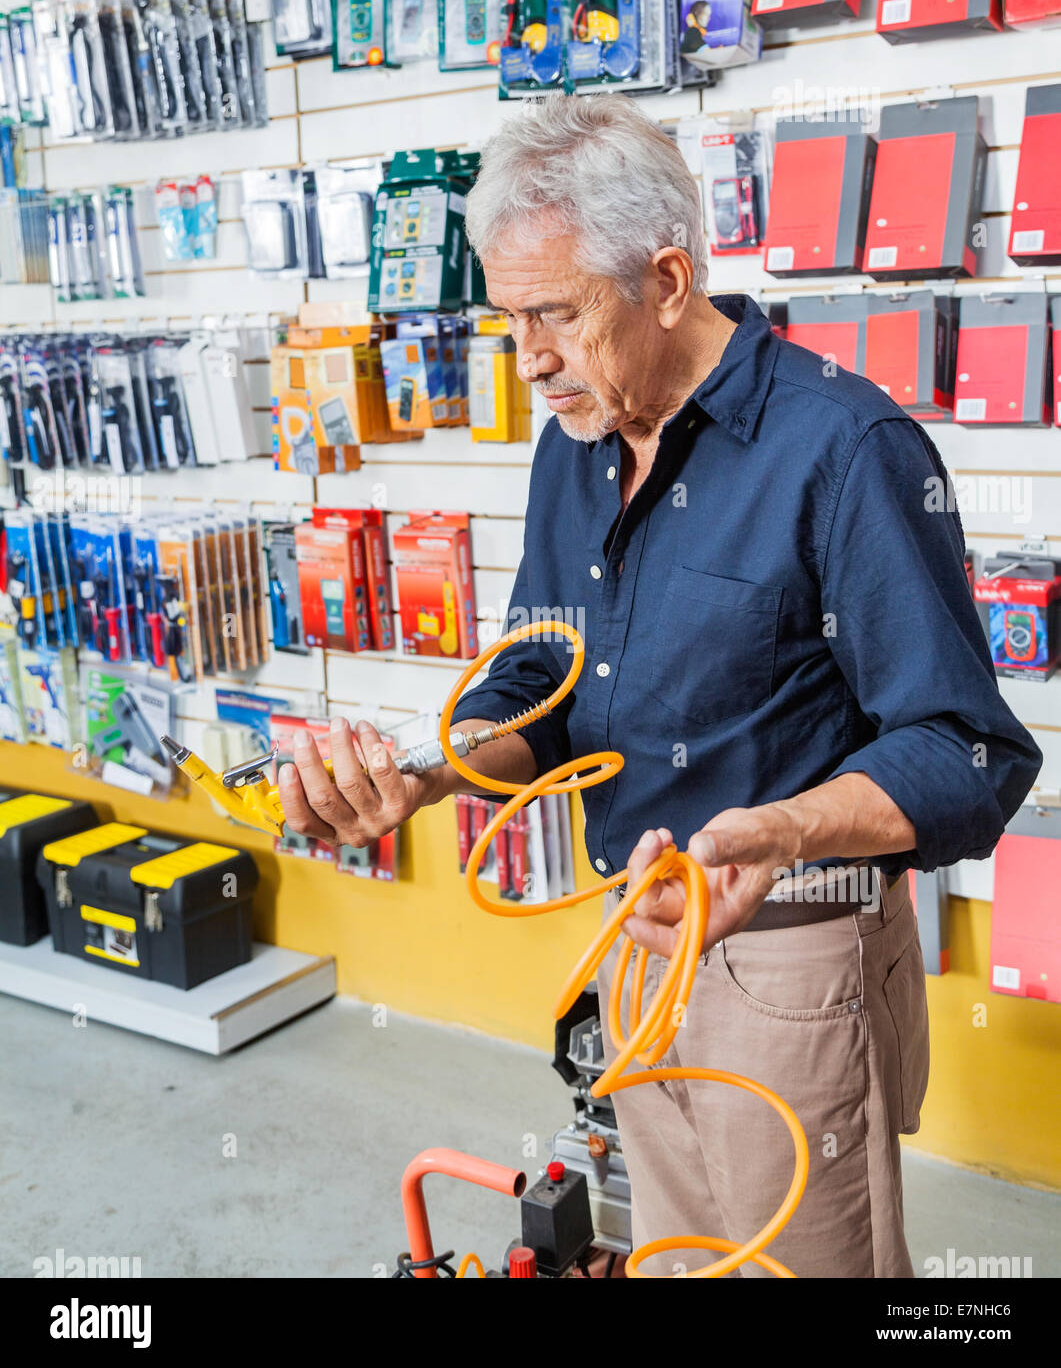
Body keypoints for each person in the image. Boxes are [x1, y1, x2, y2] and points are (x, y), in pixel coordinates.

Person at [276, 93, 1042, 1278]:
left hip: (791, 953)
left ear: (668, 281)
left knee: (807, 1269)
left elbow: (965, 750)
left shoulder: (844, 450)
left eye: (551, 316)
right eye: (507, 318)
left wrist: (778, 830)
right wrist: (424, 778)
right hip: (636, 936)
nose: (527, 360)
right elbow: (544, 676)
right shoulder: (574, 435)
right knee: (681, 1256)